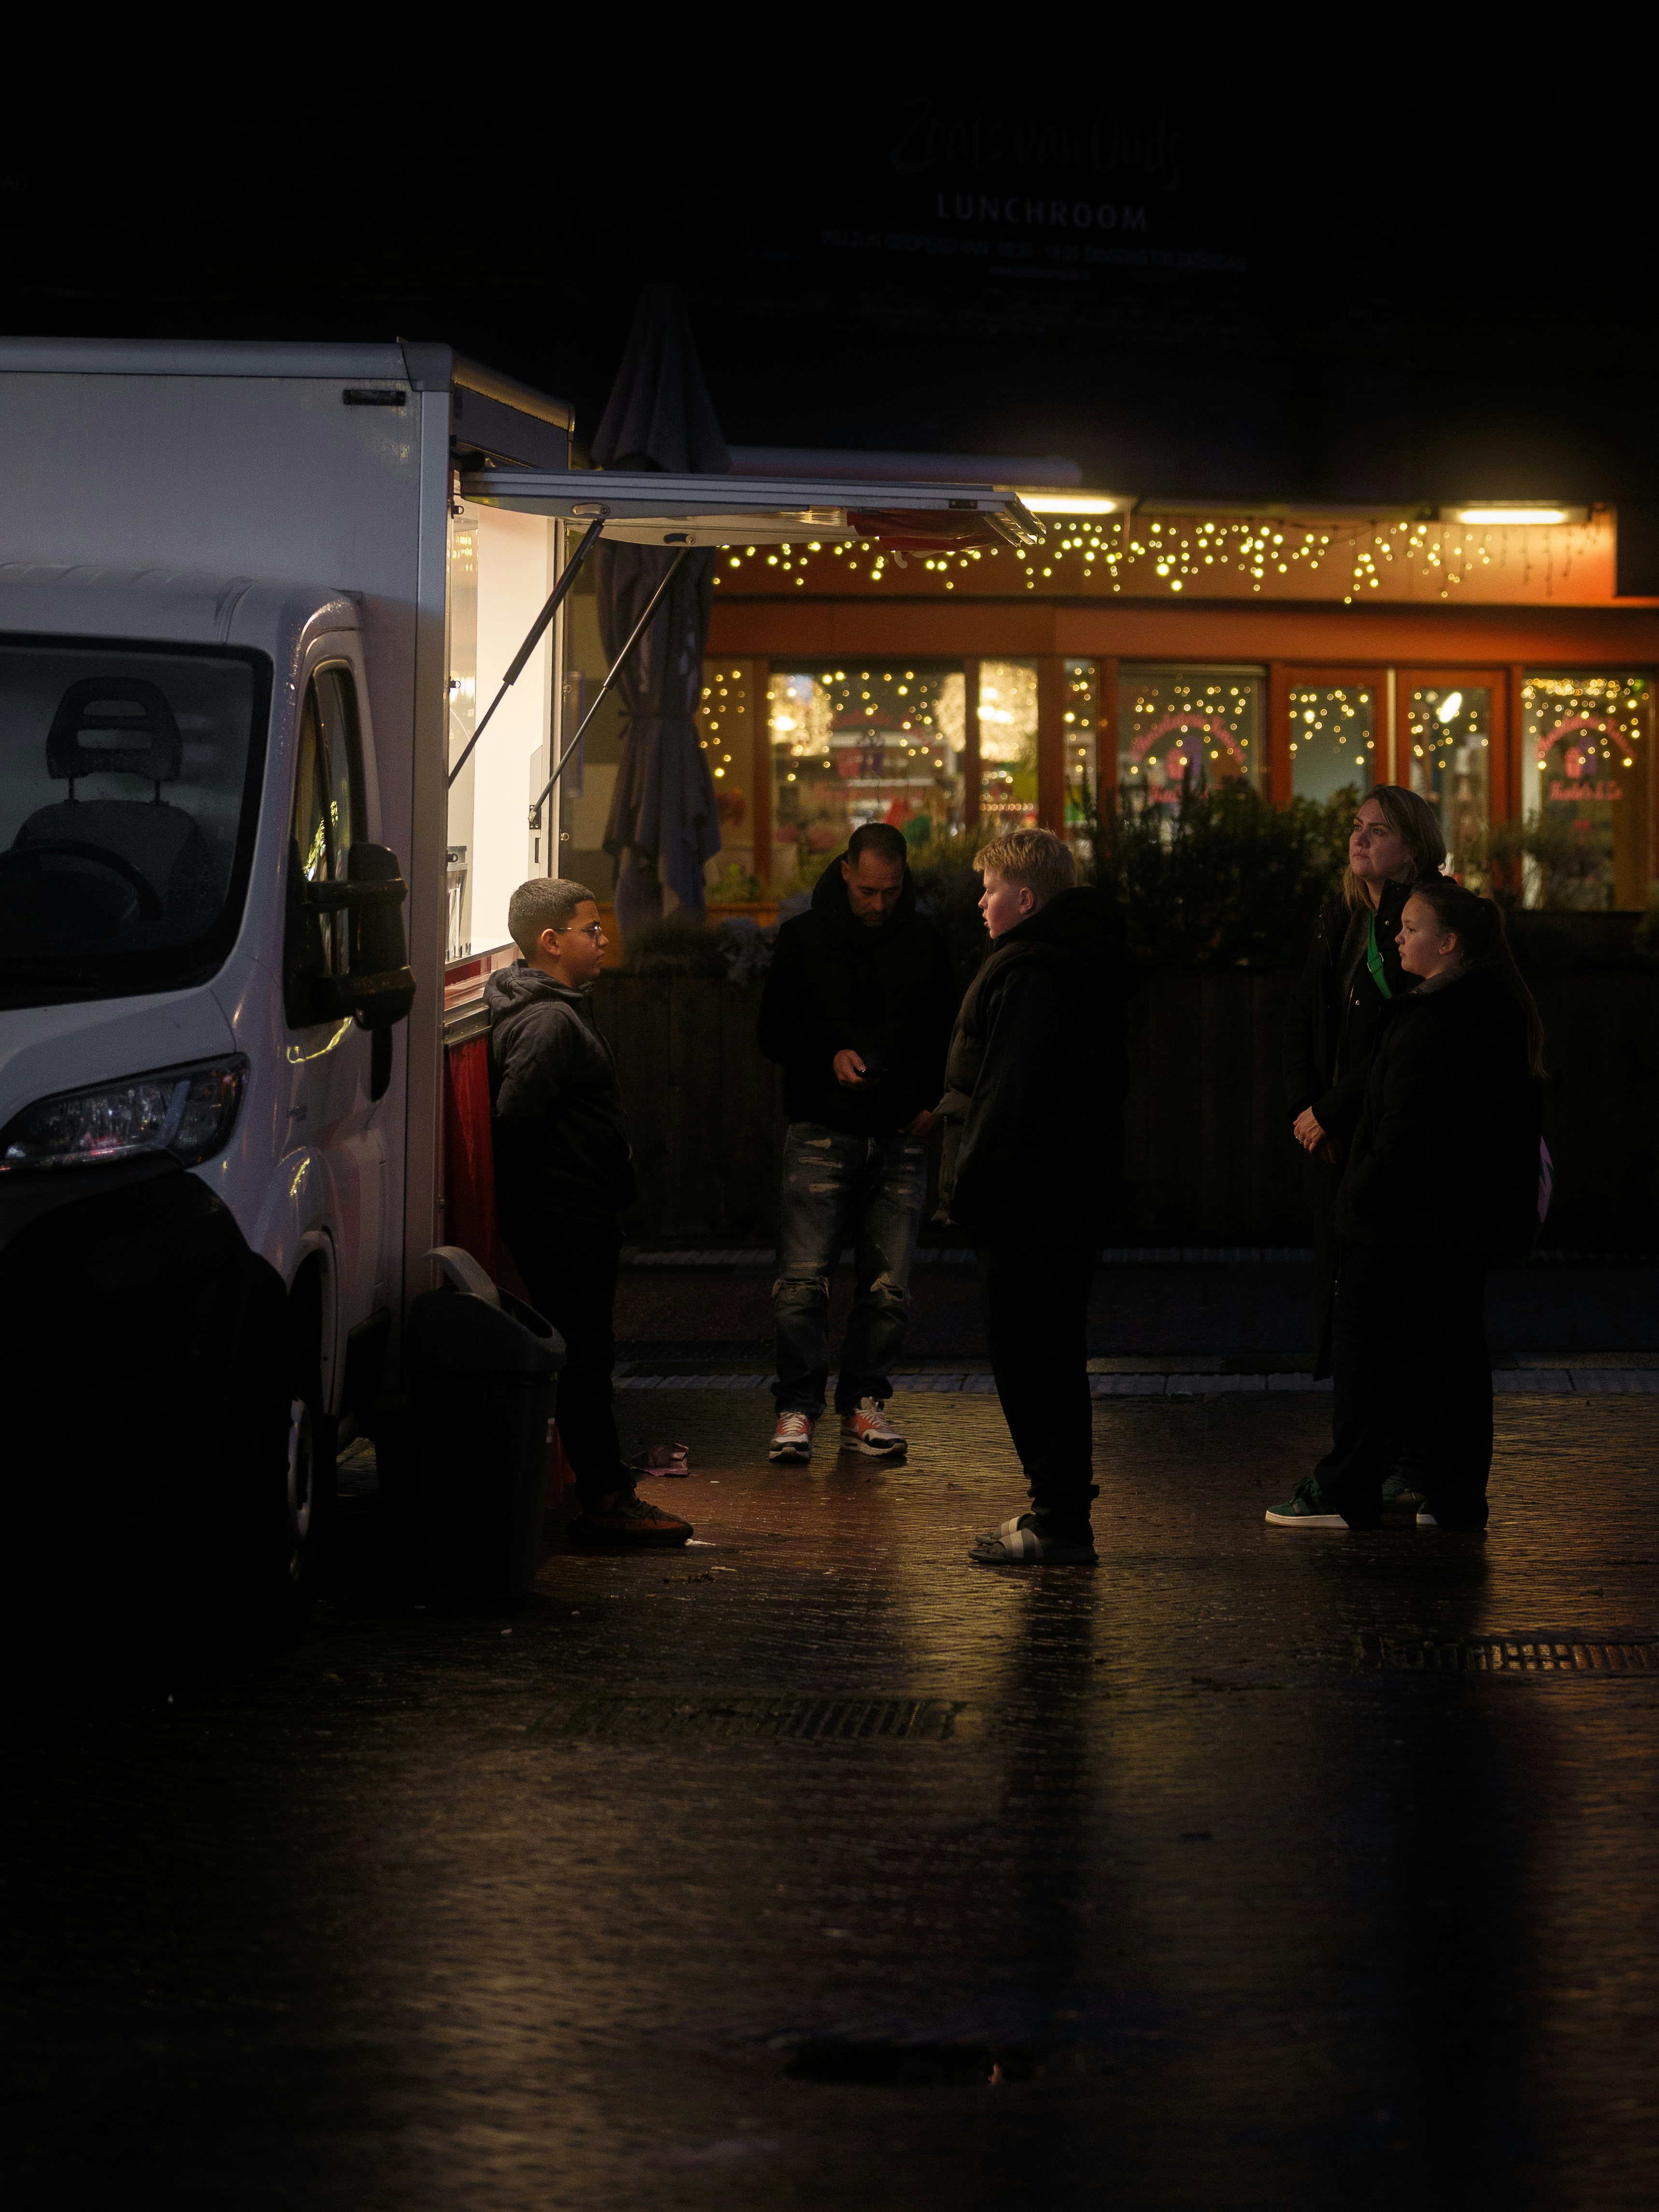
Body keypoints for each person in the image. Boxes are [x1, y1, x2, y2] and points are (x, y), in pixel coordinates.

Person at [1267, 878, 1545, 1531]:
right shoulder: (1489, 1009)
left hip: (1405, 1222)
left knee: (1365, 1345)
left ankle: (1347, 1487)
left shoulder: (1431, 1022)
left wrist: (1356, 1202)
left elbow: (1403, 1132)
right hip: (1456, 1221)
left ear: (1446, 944)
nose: (1397, 935)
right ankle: (1451, 1495)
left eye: (1412, 927)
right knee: (1450, 1352)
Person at [933, 829, 1135, 1567]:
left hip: (1028, 1197)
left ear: (1024, 899)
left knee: (1032, 1357)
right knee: (1049, 1352)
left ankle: (1058, 1519)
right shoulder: (1071, 959)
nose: (979, 902)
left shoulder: (1029, 971)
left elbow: (1008, 1092)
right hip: (1061, 1190)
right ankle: (1057, 1508)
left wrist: (970, 1186)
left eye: (988, 888)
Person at [486, 879, 693, 1548]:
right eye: (590, 929)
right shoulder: (549, 1020)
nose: (604, 940)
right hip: (565, 1215)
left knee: (585, 1353)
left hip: (570, 1209)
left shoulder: (557, 1006)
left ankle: (603, 1487)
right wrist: (554, 1197)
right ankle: (606, 1498)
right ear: (550, 941)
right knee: (584, 1357)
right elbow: (515, 1121)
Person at [756, 821, 959, 1463]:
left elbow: (948, 1031)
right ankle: (810, 1406)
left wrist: (933, 1102)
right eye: (869, 890)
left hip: (889, 1127)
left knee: (883, 1285)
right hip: (828, 1125)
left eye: (889, 892)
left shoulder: (923, 941)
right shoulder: (805, 939)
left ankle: (841, 1405)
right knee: (807, 1281)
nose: (877, 904)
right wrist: (830, 1057)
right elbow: (773, 1030)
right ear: (846, 871)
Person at [1283, 785, 1447, 1381]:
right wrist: (1307, 1110)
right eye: (1356, 825)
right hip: (1329, 1134)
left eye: (1377, 830)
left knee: (1386, 1305)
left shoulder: (1426, 922)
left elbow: (1398, 1040)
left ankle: (1384, 1455)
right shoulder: (1340, 915)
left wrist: (1328, 1110)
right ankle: (1360, 1452)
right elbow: (1302, 1014)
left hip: (1383, 1135)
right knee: (1339, 1290)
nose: (1358, 837)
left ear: (1412, 848)